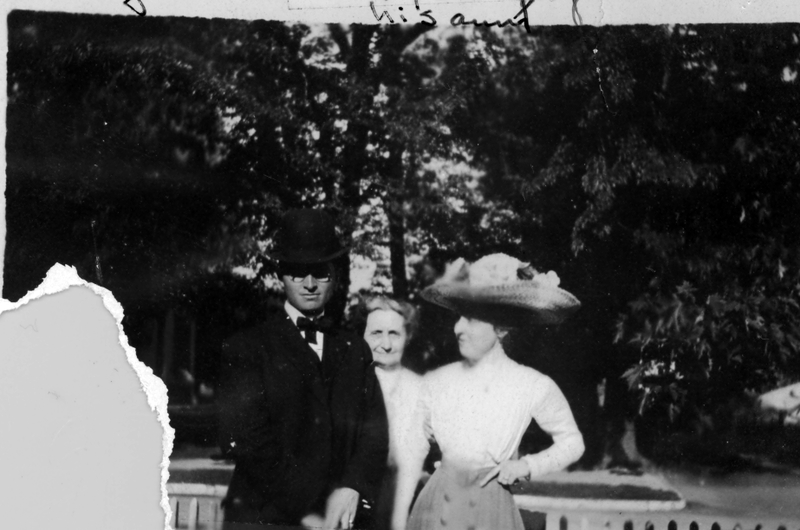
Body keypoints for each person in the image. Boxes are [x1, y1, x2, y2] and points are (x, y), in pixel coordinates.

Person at [217, 209, 389, 530]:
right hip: (268, 518)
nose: (309, 284)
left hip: (341, 520)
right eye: (298, 272)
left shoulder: (355, 350)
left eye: (320, 272)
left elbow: (374, 433)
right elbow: (250, 443)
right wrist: (309, 512)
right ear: (281, 274)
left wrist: (353, 486)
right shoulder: (247, 348)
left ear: (335, 275)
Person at [395, 253, 585, 530]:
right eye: (458, 317)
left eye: (471, 319)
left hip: (490, 511)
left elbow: (572, 443)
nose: (458, 328)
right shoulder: (438, 381)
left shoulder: (531, 385)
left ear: (501, 327)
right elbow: (413, 445)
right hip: (437, 507)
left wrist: (526, 466)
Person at [360, 296, 425, 530]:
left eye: (394, 334)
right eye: (376, 333)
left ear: (408, 337)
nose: (385, 344)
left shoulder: (421, 389)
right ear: (363, 336)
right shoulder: (349, 386)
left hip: (404, 500)